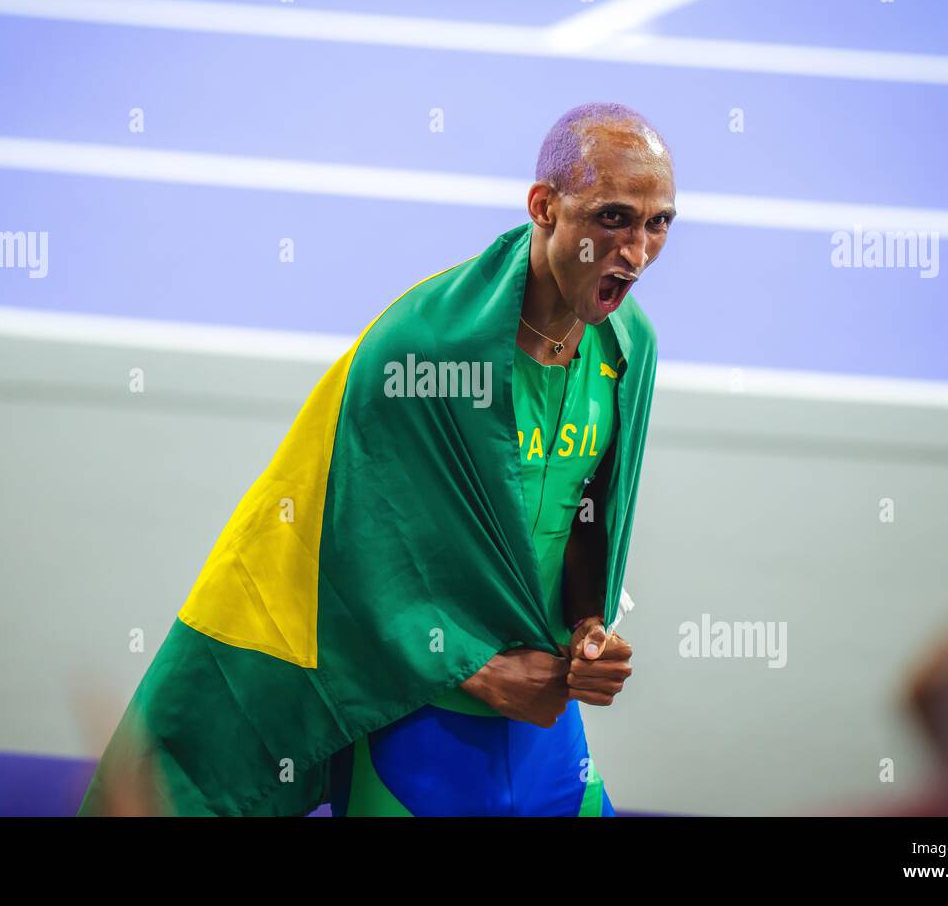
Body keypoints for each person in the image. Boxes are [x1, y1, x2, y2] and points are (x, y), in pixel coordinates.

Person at [79, 102, 674, 817]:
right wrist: (478, 671)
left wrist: (587, 629)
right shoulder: (422, 352)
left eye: (657, 223)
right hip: (416, 719)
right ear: (544, 208)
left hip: (543, 724)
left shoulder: (628, 345)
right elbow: (340, 540)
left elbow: (590, 516)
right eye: (612, 218)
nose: (636, 254)